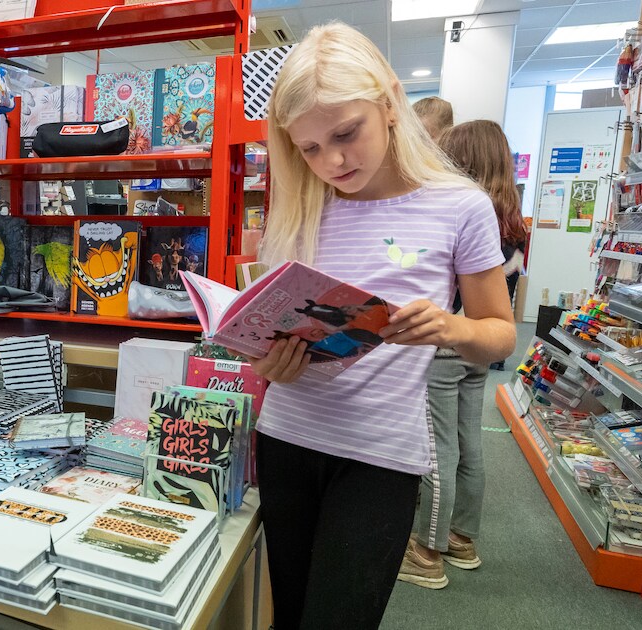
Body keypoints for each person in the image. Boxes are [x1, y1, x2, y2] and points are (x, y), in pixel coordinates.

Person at [250, 23, 515, 628]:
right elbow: (269, 329)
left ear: (390, 101)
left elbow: (499, 334)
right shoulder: (300, 204)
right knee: (286, 614)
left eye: (346, 133)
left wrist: (450, 328)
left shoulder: (460, 206)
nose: (333, 161)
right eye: (309, 148)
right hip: (286, 437)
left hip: (380, 457)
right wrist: (265, 360)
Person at [398, 120, 530, 590]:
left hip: (447, 346)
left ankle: (427, 551)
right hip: (480, 349)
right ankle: (461, 538)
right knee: (468, 443)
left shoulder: (462, 215)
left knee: (437, 450)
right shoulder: (512, 224)